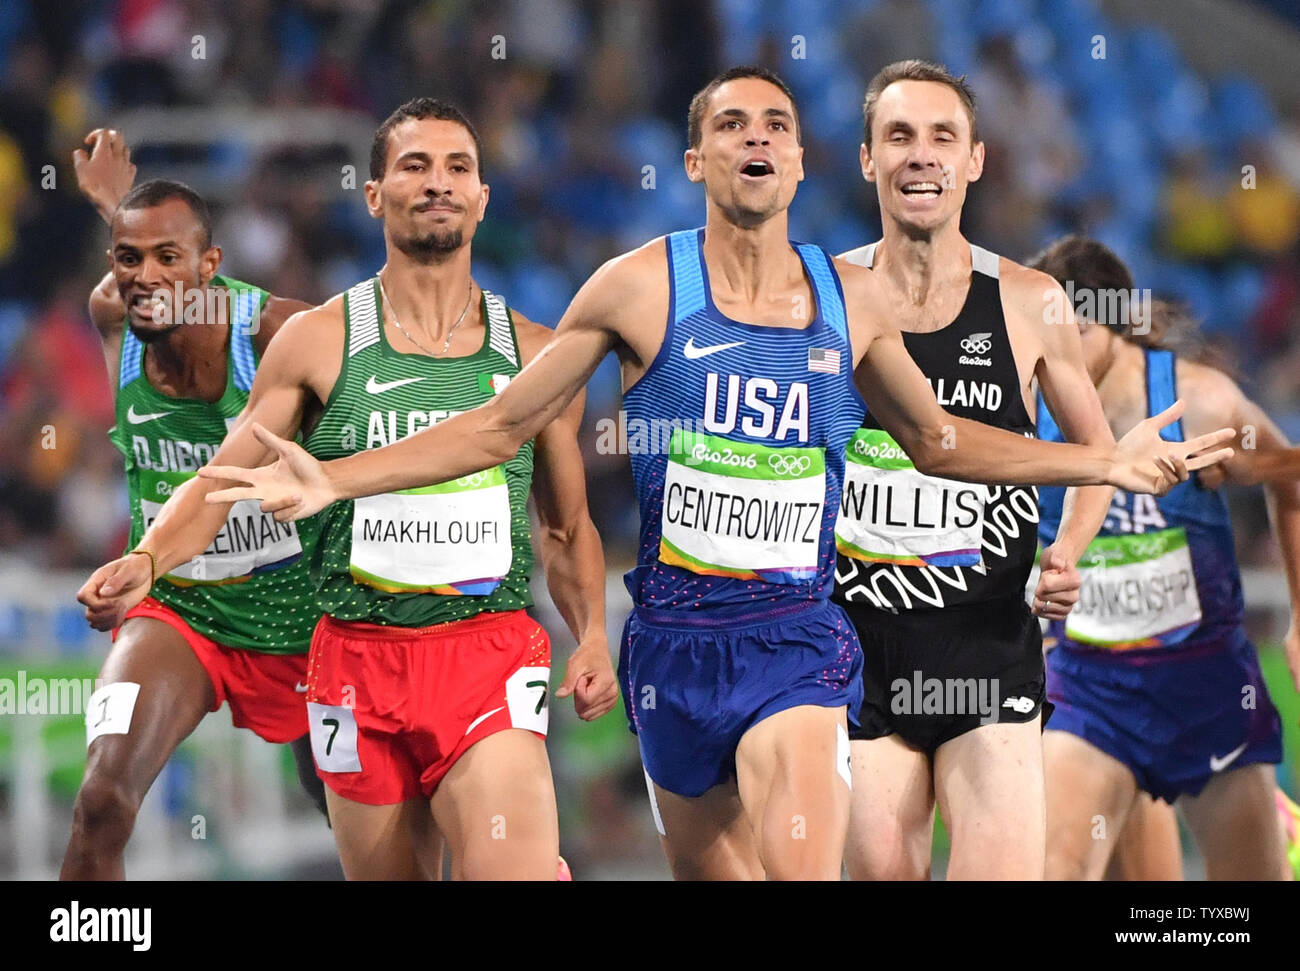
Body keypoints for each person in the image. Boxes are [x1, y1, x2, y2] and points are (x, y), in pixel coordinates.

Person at [196, 69, 1232, 880]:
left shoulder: (848, 300)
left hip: (798, 640)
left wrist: (1101, 459)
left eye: (778, 125)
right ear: (695, 158)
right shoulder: (640, 285)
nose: (759, 138)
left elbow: (944, 443)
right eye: (734, 124)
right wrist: (338, 481)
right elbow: (500, 423)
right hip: (674, 649)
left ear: (800, 159)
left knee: (807, 854)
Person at [78, 99, 617, 880]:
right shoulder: (316, 341)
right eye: (414, 166)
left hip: (485, 650)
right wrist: (152, 558)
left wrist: (593, 631)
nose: (438, 183)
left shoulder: (536, 353)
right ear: (373, 195)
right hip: (353, 662)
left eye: (458, 168)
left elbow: (565, 530)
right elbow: (225, 476)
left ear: (482, 197)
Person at [830, 59, 1115, 880]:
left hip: (988, 647)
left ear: (975, 160)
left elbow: (1094, 460)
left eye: (942, 137)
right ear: (867, 159)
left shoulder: (1031, 302)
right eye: (899, 136)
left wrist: (1069, 553)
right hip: (855, 650)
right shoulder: (825, 297)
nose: (921, 155)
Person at [65, 129, 327, 880]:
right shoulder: (114, 318)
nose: (142, 279)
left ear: (212, 268)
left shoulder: (281, 333)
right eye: (126, 260)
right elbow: (155, 266)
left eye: (168, 259)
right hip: (178, 603)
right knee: (102, 800)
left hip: (306, 615)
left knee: (353, 813)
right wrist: (123, 211)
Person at [1031, 235, 1296, 880]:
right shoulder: (1028, 408)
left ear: (1103, 321)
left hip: (1207, 685)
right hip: (1092, 691)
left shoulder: (1199, 400)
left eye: (1062, 332)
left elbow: (1291, 475)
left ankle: (1279, 825)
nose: (1045, 355)